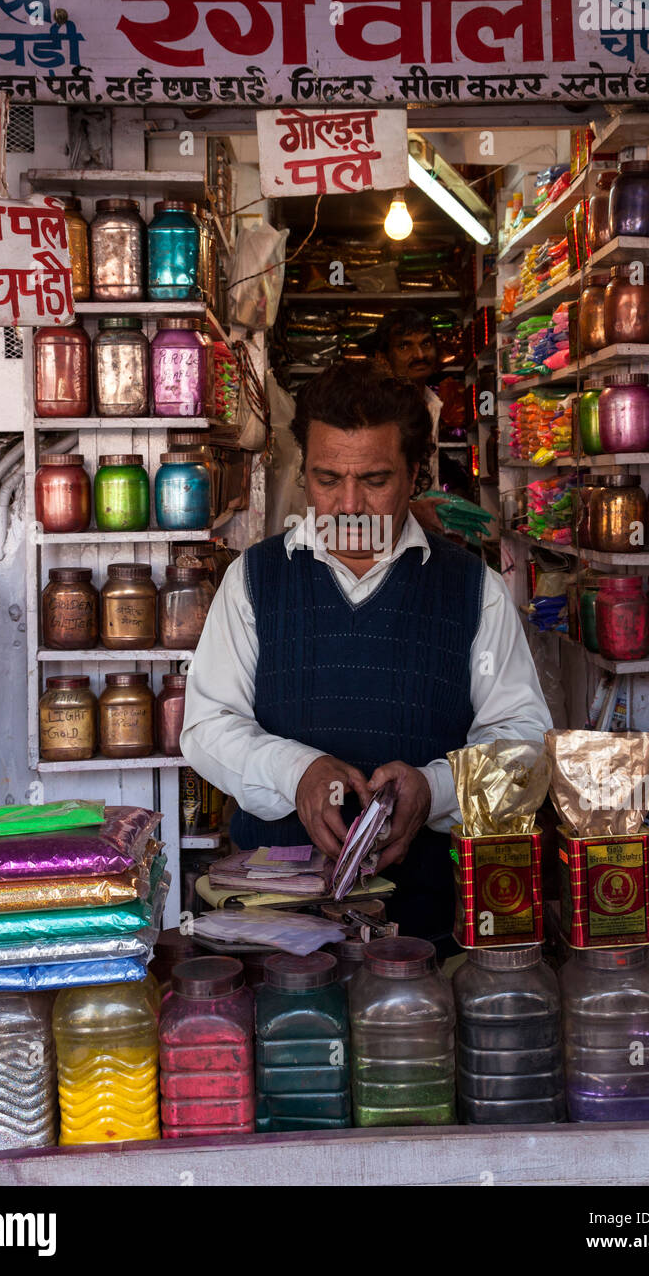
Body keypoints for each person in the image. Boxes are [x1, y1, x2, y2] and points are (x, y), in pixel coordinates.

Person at [180, 360, 551, 954]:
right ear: (303, 474)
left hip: (430, 928)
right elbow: (205, 728)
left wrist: (435, 788)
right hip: (277, 930)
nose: (349, 505)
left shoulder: (472, 590)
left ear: (414, 477)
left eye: (375, 480)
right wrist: (296, 771)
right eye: (327, 479)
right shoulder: (254, 580)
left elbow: (526, 742)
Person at [375, 306, 444, 532]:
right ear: (383, 358)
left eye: (426, 343)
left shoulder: (436, 406)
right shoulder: (373, 413)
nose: (420, 355)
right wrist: (412, 511)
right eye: (405, 346)